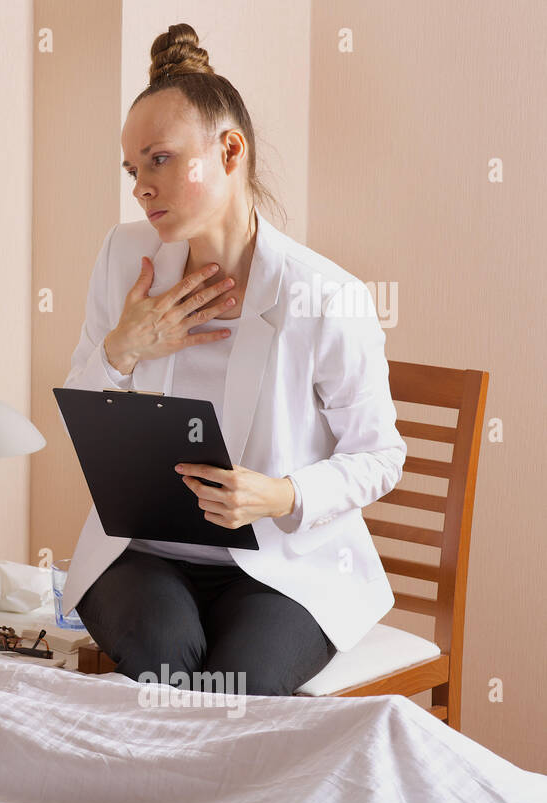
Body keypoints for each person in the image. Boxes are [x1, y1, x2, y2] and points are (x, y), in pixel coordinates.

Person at [60, 24, 407, 696]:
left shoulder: (325, 295)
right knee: (167, 664)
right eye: (133, 169)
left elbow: (380, 455)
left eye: (159, 160)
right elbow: (84, 410)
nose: (141, 188)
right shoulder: (123, 259)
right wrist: (121, 351)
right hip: (144, 556)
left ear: (229, 150)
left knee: (225, 702)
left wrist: (283, 494)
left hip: (286, 565)